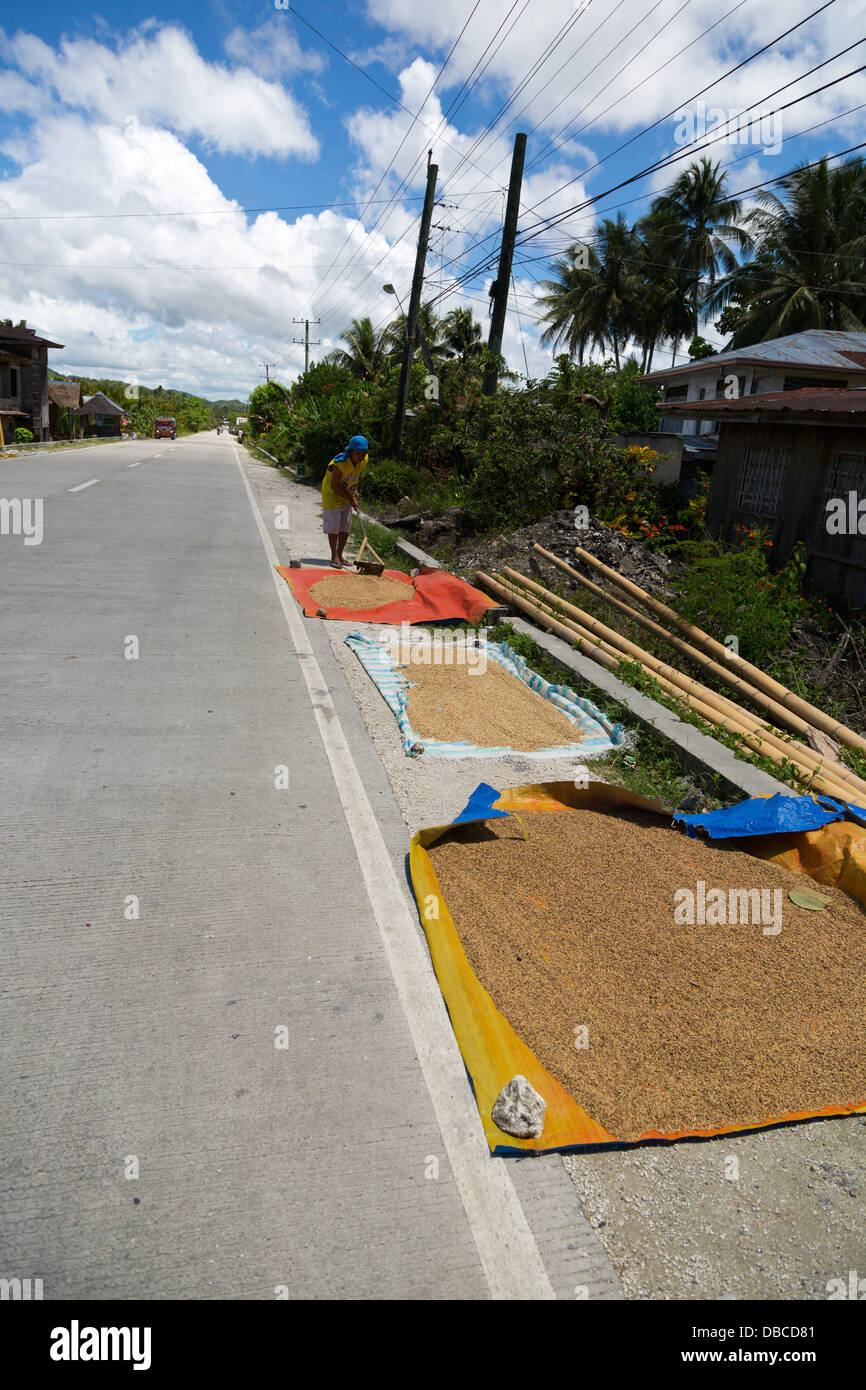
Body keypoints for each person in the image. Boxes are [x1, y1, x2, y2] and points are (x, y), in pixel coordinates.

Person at [321, 434, 368, 568]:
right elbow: (335, 485)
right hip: (332, 496)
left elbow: (357, 475)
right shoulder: (340, 463)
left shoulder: (364, 460)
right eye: (358, 453)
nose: (361, 456)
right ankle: (333, 556)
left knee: (344, 528)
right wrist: (351, 498)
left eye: (364, 453)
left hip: (347, 495)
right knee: (334, 528)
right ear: (351, 451)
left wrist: (356, 490)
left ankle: (340, 555)